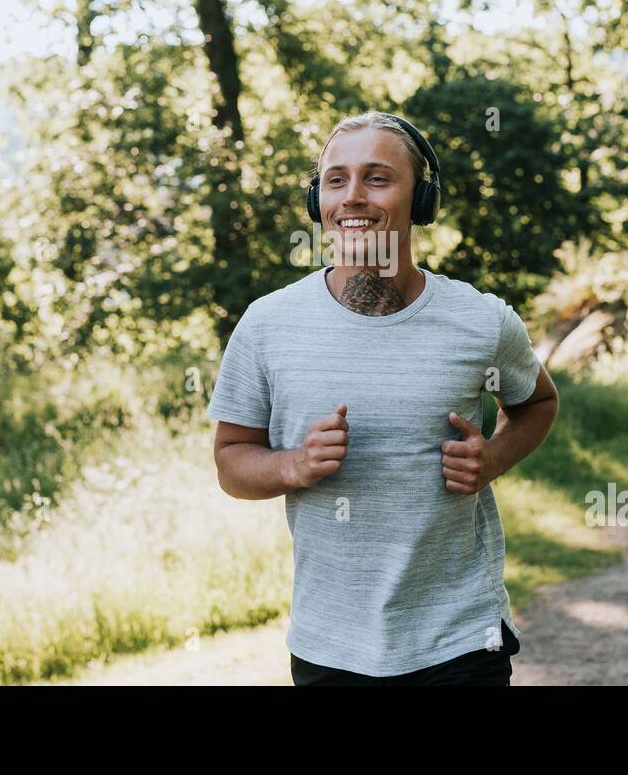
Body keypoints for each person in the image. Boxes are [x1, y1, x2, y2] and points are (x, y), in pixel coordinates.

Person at [206, 110, 559, 685]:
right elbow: (230, 461)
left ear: (420, 201)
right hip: (331, 644)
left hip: (460, 638)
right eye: (335, 180)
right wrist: (292, 464)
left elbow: (537, 404)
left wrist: (493, 457)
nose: (352, 197)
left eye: (377, 178)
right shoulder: (269, 325)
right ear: (316, 199)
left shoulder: (481, 321)